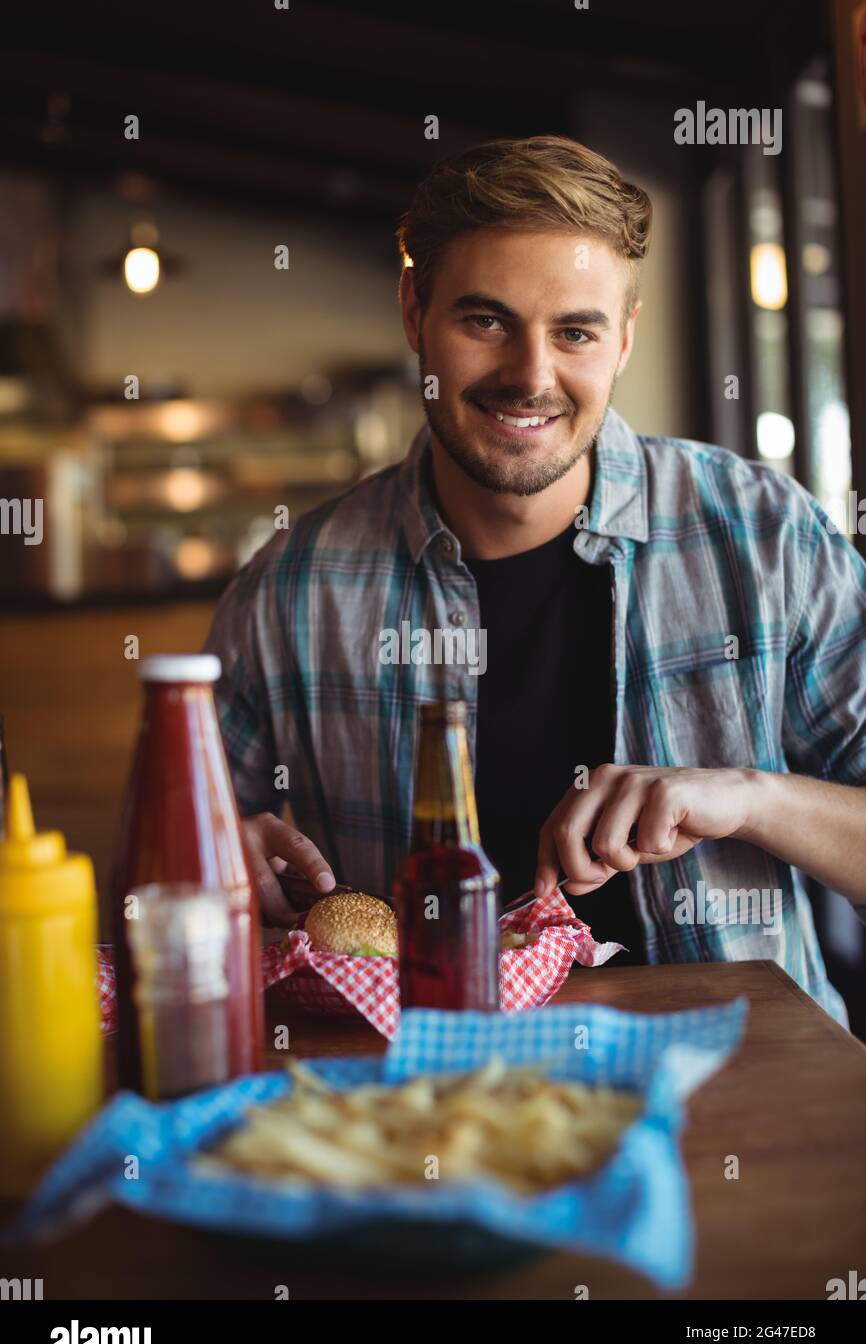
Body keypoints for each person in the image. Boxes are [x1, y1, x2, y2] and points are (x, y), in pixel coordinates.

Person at [205, 134, 866, 1028]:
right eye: (486, 321)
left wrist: (750, 798)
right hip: (422, 1117)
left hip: (744, 1096)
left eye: (576, 332)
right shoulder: (286, 593)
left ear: (624, 337)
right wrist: (212, 866)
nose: (530, 375)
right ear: (414, 310)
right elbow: (177, 893)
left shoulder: (767, 537)